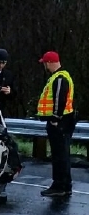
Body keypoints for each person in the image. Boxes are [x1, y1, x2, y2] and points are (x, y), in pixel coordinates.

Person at [36, 51, 76, 197]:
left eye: (46, 63)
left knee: (59, 155)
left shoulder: (59, 78)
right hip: (64, 121)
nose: (45, 66)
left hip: (60, 122)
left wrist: (55, 118)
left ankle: (59, 185)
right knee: (62, 154)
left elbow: (60, 100)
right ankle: (65, 185)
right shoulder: (62, 76)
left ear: (50, 62)